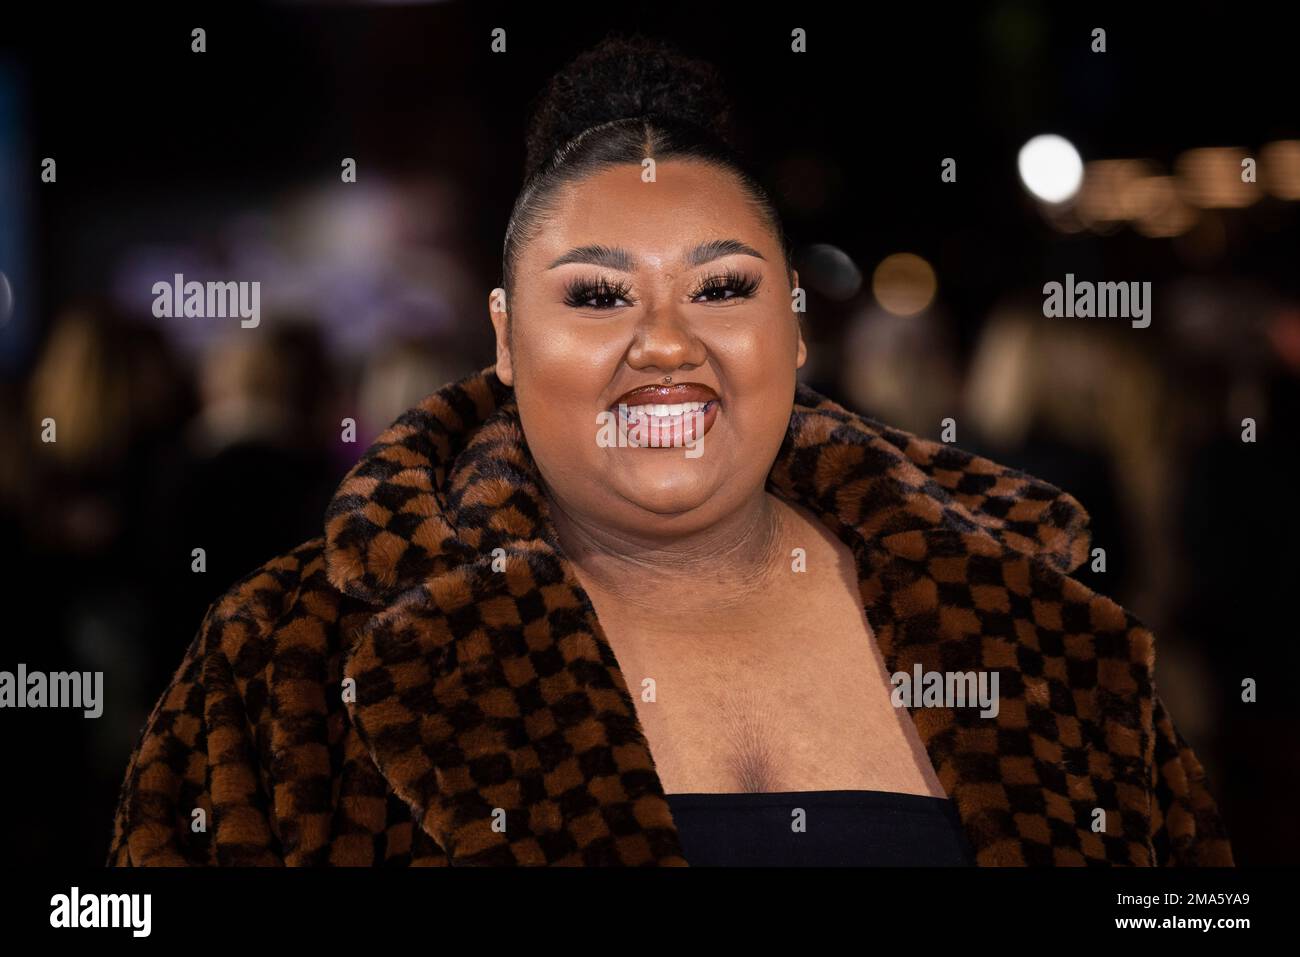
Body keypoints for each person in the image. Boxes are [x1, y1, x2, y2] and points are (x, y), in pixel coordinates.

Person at [107, 34, 1232, 866]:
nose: (664, 343)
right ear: (504, 337)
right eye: (596, 295)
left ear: (792, 322)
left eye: (721, 287)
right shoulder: (287, 663)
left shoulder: (1042, 633)